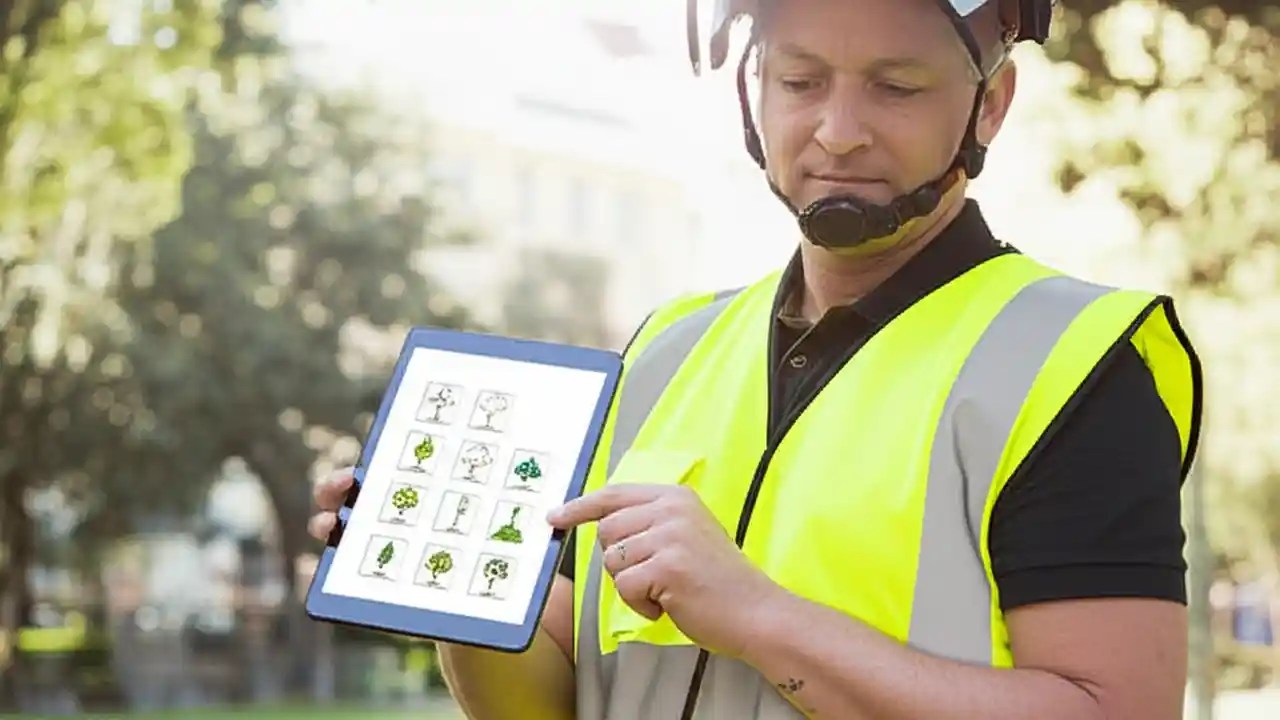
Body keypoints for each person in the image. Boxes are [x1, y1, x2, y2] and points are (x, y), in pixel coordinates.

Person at [308, 0, 1204, 717]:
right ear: (754, 90)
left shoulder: (1072, 362)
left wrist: (757, 616)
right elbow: (556, 700)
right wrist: (461, 578)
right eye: (800, 80)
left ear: (990, 105)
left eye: (895, 87)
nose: (838, 131)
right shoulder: (667, 351)